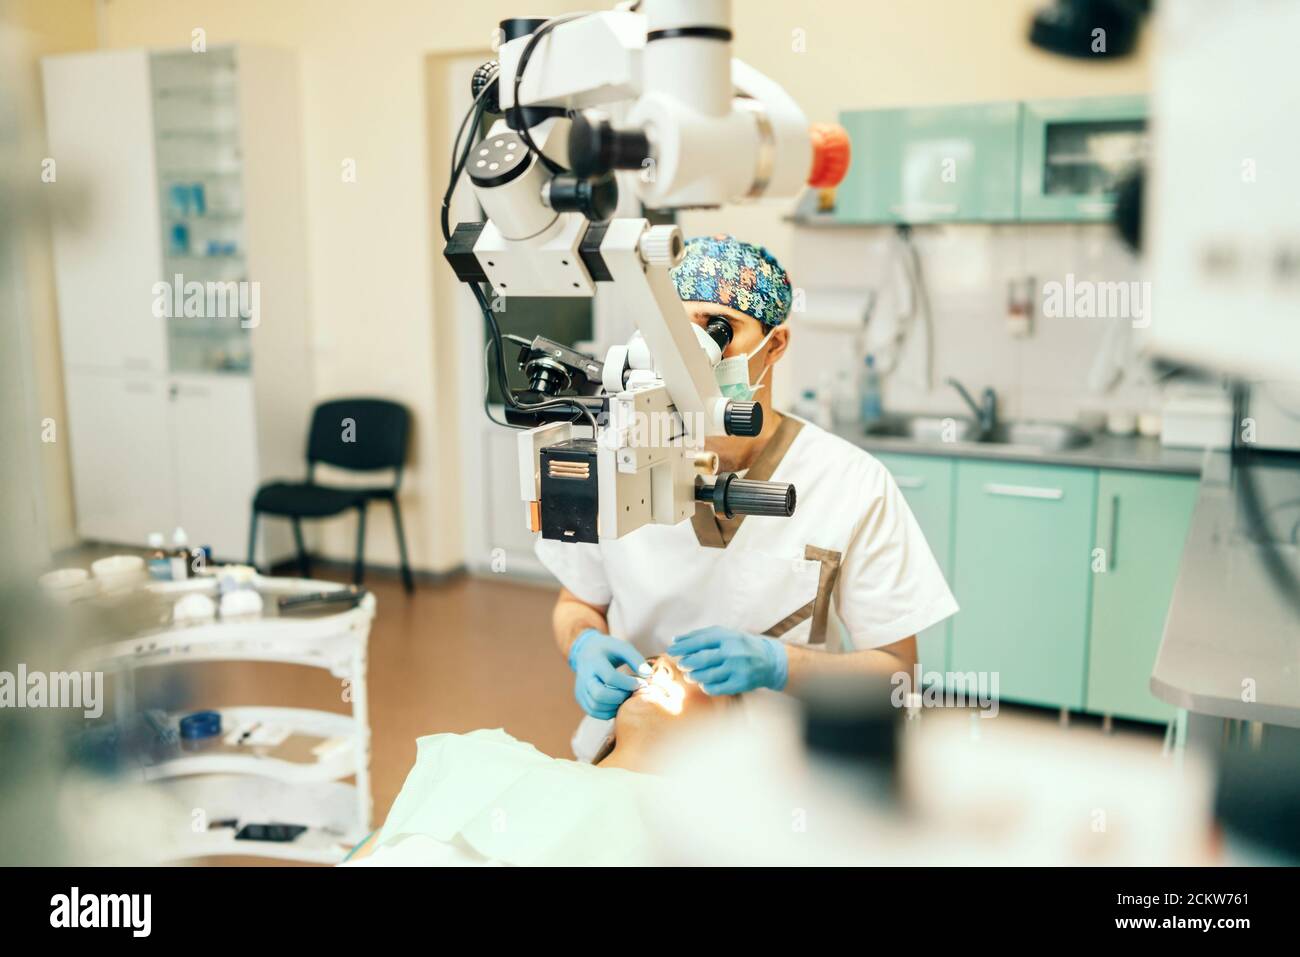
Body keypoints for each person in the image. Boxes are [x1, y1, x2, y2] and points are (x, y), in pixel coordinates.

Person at [537, 233, 959, 761]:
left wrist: (781, 664)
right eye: (672, 332)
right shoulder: (612, 458)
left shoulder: (851, 482)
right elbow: (577, 600)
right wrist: (582, 644)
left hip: (781, 763)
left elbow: (897, 675)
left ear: (775, 345)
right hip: (646, 739)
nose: (688, 357)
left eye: (718, 330)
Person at [345, 657, 718, 866]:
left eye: (693, 676)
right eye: (651, 663)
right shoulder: (488, 753)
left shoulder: (686, 834)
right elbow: (385, 846)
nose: (661, 667)